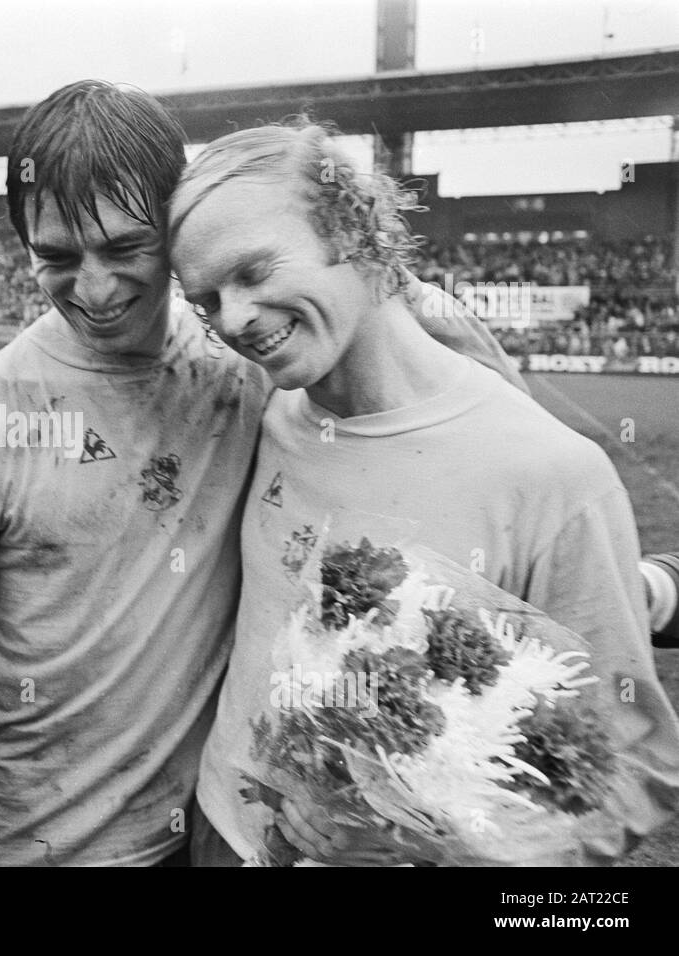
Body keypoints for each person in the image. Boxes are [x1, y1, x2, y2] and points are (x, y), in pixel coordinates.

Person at [0, 80, 523, 867]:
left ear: (175, 231)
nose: (97, 286)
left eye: (125, 248)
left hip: (218, 830)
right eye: (57, 257)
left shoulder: (242, 370)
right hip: (41, 841)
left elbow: (376, 319)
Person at [168, 120, 679, 866]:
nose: (233, 319)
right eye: (206, 299)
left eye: (252, 272)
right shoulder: (271, 411)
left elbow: (633, 767)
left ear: (350, 231)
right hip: (220, 830)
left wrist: (427, 845)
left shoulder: (553, 476)